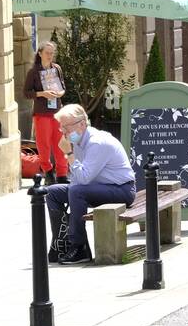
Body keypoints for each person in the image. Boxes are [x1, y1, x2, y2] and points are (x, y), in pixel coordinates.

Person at [48, 104, 136, 264]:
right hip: (97, 187)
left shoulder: (97, 142)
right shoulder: (79, 142)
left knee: (76, 191)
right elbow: (77, 179)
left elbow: (83, 179)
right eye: (62, 128)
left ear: (82, 124)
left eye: (66, 128)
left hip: (122, 190)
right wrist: (71, 153)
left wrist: (68, 153)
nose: (63, 133)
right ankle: (63, 242)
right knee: (51, 192)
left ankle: (79, 247)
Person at [23, 41, 68, 184]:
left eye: (52, 53)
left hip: (57, 112)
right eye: (47, 53)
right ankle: (48, 172)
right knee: (44, 145)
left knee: (60, 144)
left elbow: (63, 87)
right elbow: (26, 93)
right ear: (40, 54)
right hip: (42, 113)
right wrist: (42, 94)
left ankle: (62, 174)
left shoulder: (57, 69)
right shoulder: (34, 72)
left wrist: (59, 94)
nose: (50, 56)